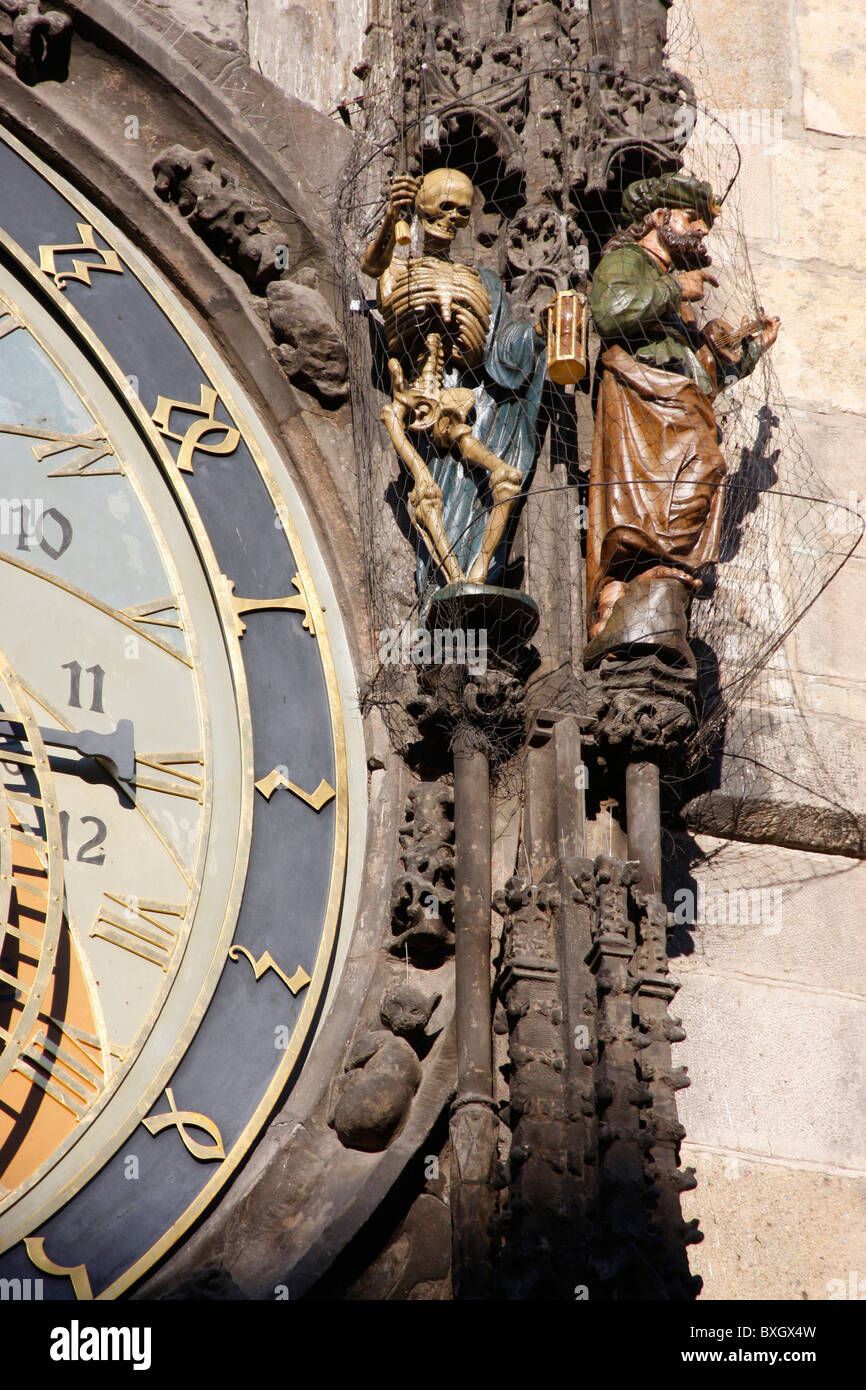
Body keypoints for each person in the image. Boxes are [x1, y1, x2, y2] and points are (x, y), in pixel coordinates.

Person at [585, 171, 780, 666]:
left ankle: (654, 570)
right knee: (703, 467)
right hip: (641, 397)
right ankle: (636, 574)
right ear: (658, 217)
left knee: (702, 470)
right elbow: (609, 315)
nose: (699, 231)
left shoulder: (675, 289)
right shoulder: (627, 260)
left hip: (676, 399)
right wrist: (675, 290)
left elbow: (703, 375)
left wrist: (751, 349)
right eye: (691, 218)